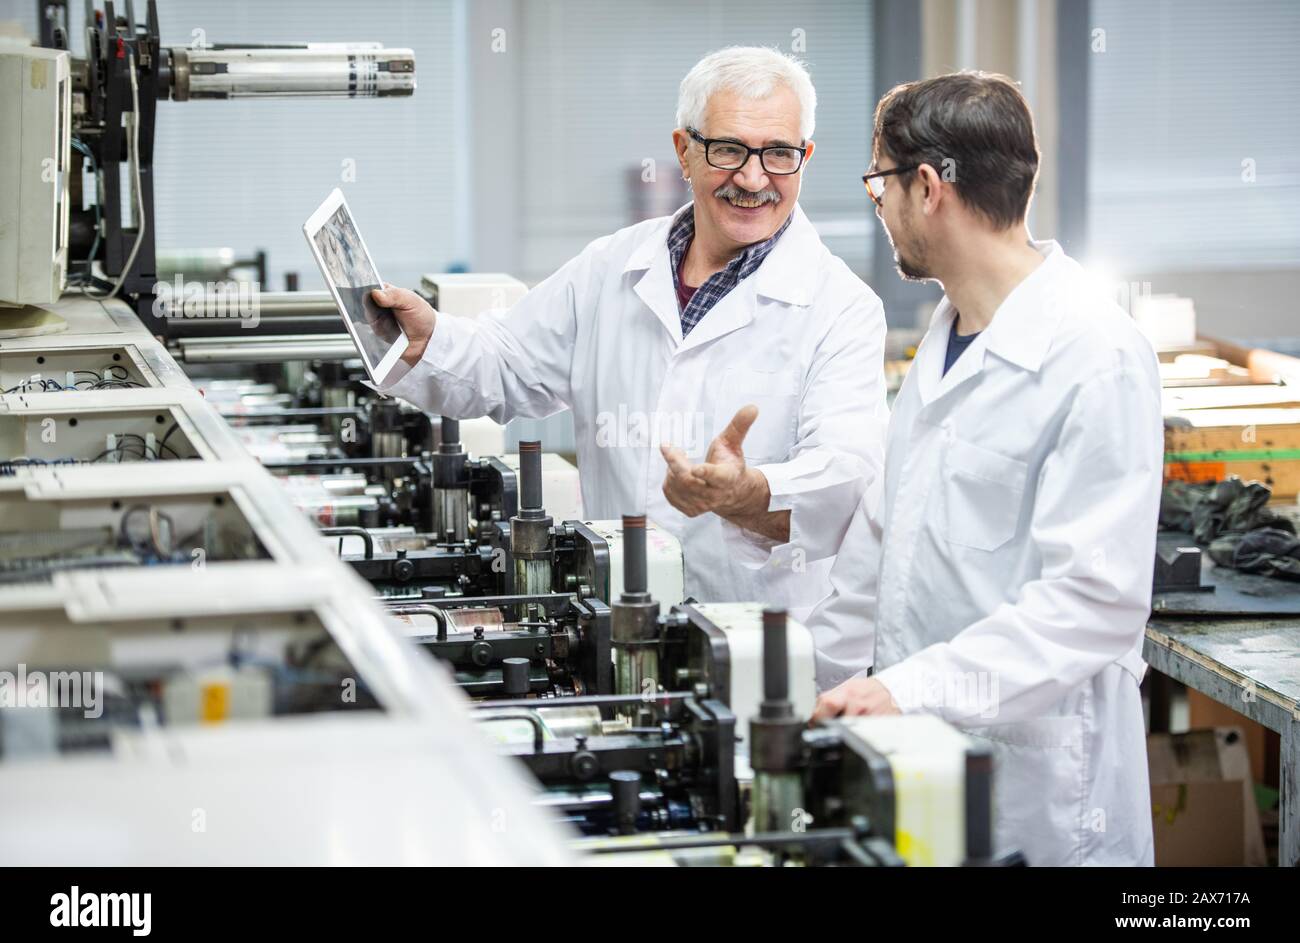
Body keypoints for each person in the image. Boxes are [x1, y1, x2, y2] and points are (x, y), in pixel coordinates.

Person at [373, 47, 888, 648]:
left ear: (806, 158)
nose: (754, 179)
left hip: (757, 650)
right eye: (728, 150)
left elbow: (848, 485)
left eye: (779, 153)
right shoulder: (612, 267)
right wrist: (420, 338)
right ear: (683, 150)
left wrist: (744, 494)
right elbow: (505, 363)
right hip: (610, 629)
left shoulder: (841, 307)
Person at [810, 72, 1162, 865]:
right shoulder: (946, 332)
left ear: (926, 187)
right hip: (920, 756)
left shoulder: (1094, 356)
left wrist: (907, 687)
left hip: (1041, 787)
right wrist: (805, 688)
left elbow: (1093, 604)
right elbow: (880, 543)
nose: (880, 208)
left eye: (879, 185)